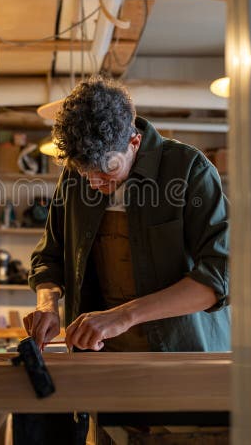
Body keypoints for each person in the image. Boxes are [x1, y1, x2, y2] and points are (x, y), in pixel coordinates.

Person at [14, 76, 230, 444]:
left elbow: (220, 277)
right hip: (104, 374)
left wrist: (123, 316)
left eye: (106, 172)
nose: (94, 184)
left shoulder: (188, 170)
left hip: (182, 368)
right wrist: (47, 306)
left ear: (134, 142)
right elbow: (49, 256)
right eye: (85, 174)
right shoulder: (77, 176)